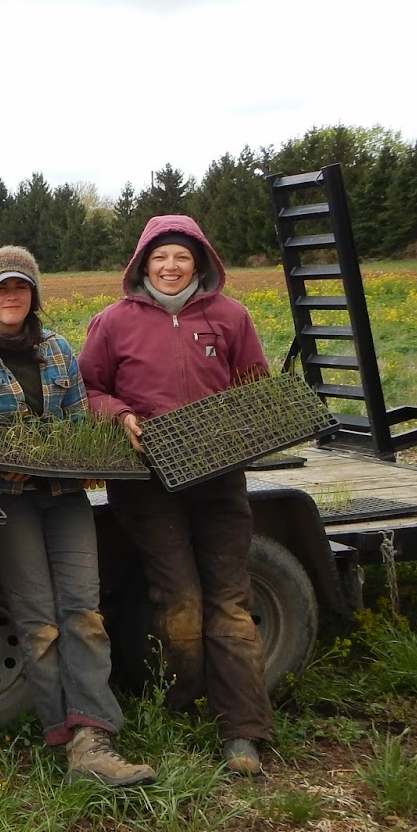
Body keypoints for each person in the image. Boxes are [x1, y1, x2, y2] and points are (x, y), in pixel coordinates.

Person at [0, 247, 155, 787]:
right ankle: (62, 730)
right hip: (6, 503)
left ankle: (94, 735)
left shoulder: (59, 350)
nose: (11, 296)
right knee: (38, 621)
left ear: (33, 293)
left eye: (20, 287)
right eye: (0, 288)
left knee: (84, 611)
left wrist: (86, 459)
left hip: (63, 497)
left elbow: (76, 421)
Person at [78, 215, 272, 776]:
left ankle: (243, 732)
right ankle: (182, 703)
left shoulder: (230, 316)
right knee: (179, 602)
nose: (170, 267)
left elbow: (253, 384)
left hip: (219, 480)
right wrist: (119, 415)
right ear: (142, 263)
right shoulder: (114, 322)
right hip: (148, 484)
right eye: (159, 257)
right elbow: (90, 387)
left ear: (200, 261)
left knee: (230, 603)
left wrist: (249, 431)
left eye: (181, 257)